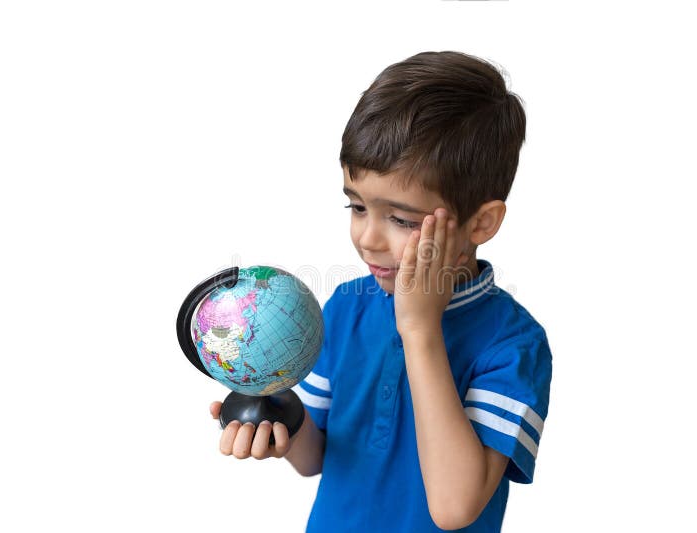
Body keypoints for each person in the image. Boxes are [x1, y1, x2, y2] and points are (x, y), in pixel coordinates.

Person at [209, 50, 553, 532]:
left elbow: (454, 507)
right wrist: (277, 414)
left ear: (482, 222)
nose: (368, 238)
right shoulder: (345, 307)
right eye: (356, 207)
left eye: (401, 219)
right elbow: (316, 458)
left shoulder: (513, 344)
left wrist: (420, 328)